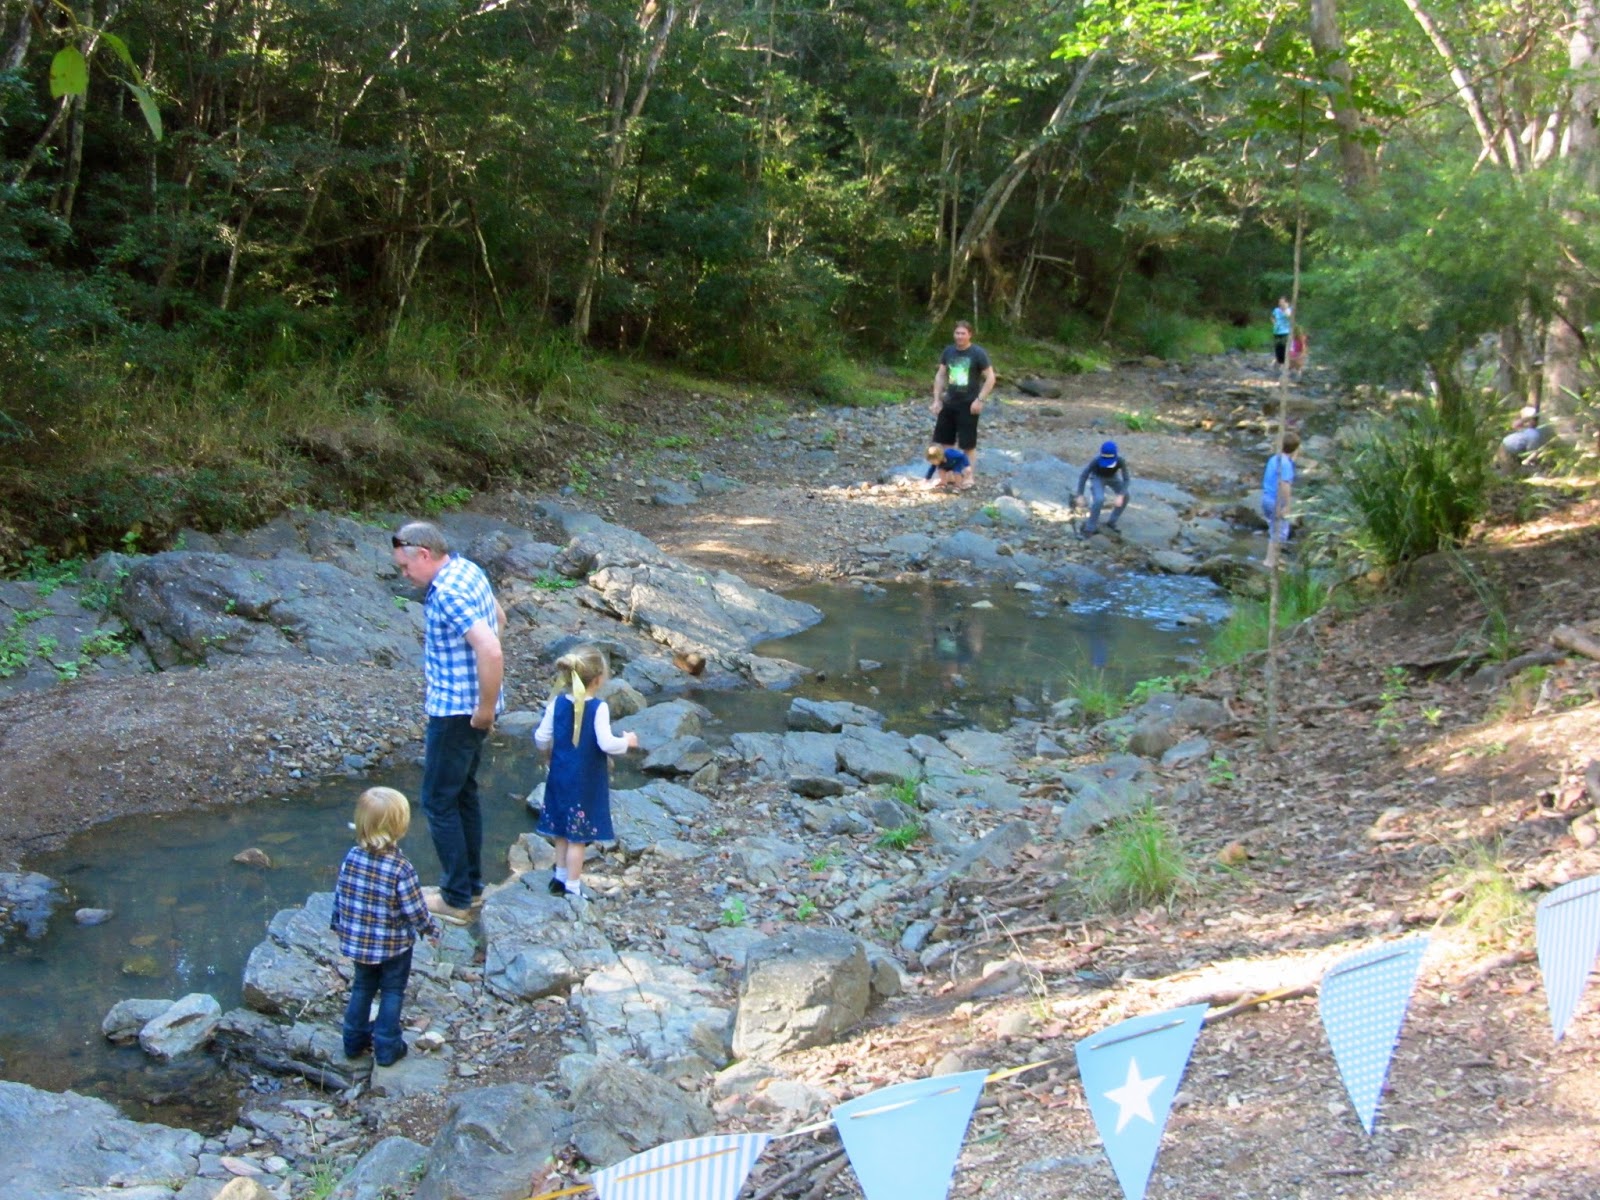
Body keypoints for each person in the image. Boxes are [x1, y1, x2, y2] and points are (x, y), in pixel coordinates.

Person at [390, 520, 506, 926]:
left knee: (438, 802)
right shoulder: (468, 569)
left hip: (457, 712)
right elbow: (499, 618)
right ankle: (471, 886)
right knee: (463, 795)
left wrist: (485, 708)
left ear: (424, 554)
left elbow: (490, 649)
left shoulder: (447, 592)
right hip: (469, 708)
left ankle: (456, 899)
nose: (405, 577)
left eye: (406, 568)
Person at [331, 787, 440, 1068]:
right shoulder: (401, 868)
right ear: (399, 827)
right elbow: (415, 909)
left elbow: (341, 895)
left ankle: (353, 1041)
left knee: (362, 987)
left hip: (358, 942)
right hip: (393, 946)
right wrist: (430, 930)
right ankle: (387, 1045)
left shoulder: (352, 857)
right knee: (392, 992)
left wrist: (338, 924)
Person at [533, 645, 639, 901]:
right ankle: (572, 885)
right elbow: (605, 743)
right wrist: (628, 742)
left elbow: (540, 736)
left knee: (560, 829)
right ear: (598, 679)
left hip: (558, 776)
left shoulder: (557, 703)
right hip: (585, 781)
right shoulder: (597, 708)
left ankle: (558, 877)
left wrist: (548, 754)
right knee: (577, 838)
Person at [928, 320, 996, 489]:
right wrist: (937, 399)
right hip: (949, 402)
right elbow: (940, 375)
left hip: (969, 404)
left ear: (969, 335)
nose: (959, 336)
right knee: (945, 442)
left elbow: (991, 378)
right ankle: (948, 476)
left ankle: (968, 477)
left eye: (963, 333)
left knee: (968, 444)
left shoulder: (977, 353)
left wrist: (980, 399)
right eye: (957, 333)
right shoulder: (948, 351)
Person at [1075, 440, 1130, 536]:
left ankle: (1111, 522)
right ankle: (1089, 528)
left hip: (1113, 478)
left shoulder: (1120, 461)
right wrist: (1080, 494)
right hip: (1097, 478)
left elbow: (1126, 479)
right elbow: (1084, 475)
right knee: (1099, 499)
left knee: (1126, 496)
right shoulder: (1096, 461)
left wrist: (1120, 495)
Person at [1262, 430, 1300, 562]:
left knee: (1273, 529)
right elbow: (1285, 485)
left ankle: (1273, 558)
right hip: (1276, 501)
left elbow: (1287, 461)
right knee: (1280, 532)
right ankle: (1270, 561)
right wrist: (1287, 505)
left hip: (1266, 498)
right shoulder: (1286, 465)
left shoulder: (1275, 459)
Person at [1271, 298, 1293, 368]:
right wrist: (1274, 323)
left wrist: (1285, 310)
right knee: (1278, 347)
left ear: (1286, 303)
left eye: (1282, 302)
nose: (1281, 303)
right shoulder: (1276, 310)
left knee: (1285, 347)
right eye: (1280, 302)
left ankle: (1286, 363)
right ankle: (1279, 362)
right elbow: (1272, 317)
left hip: (1286, 331)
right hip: (1277, 331)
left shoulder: (1289, 310)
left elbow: (1290, 317)